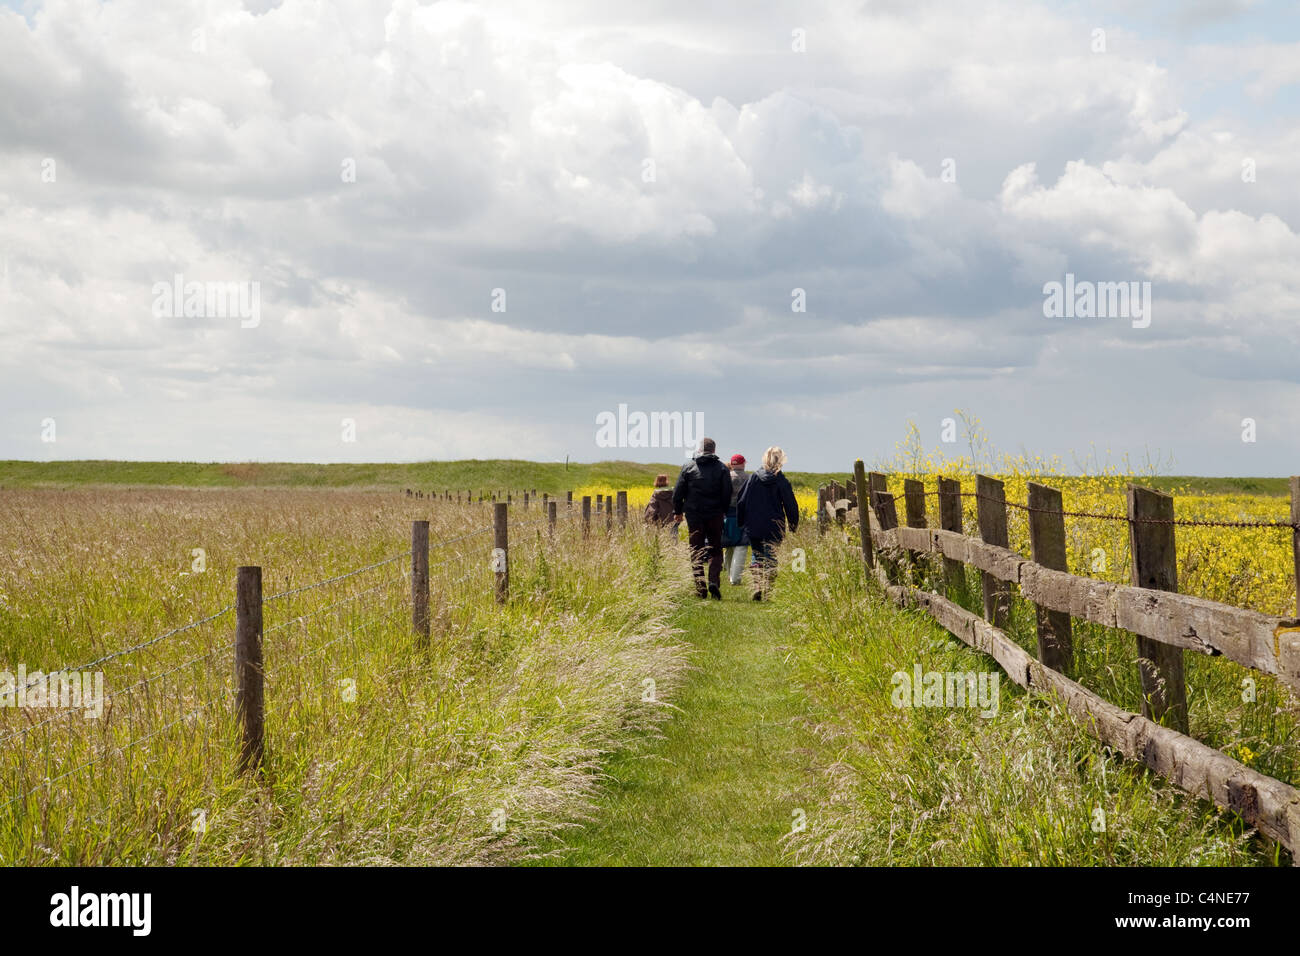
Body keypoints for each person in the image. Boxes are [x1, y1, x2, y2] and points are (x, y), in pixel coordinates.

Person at [736, 445, 799, 601]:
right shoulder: (781, 480)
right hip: (774, 525)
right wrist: (793, 524)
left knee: (757, 556)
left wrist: (741, 521)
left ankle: (757, 586)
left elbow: (742, 500)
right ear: (781, 460)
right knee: (771, 557)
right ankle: (768, 590)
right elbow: (790, 504)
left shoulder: (754, 477)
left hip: (754, 524)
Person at [672, 437, 732, 599]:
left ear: (699, 449)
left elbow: (678, 492)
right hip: (715, 514)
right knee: (715, 548)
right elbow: (727, 493)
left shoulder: (688, 467)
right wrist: (723, 510)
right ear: (714, 450)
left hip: (694, 515)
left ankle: (700, 587)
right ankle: (713, 581)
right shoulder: (721, 468)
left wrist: (678, 511)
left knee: (696, 550)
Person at [722, 454, 750, 586]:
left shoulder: (725, 477)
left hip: (727, 515)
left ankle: (728, 573)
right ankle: (735, 577)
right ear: (743, 463)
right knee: (740, 546)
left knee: (728, 546)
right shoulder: (749, 478)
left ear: (732, 464)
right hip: (743, 515)